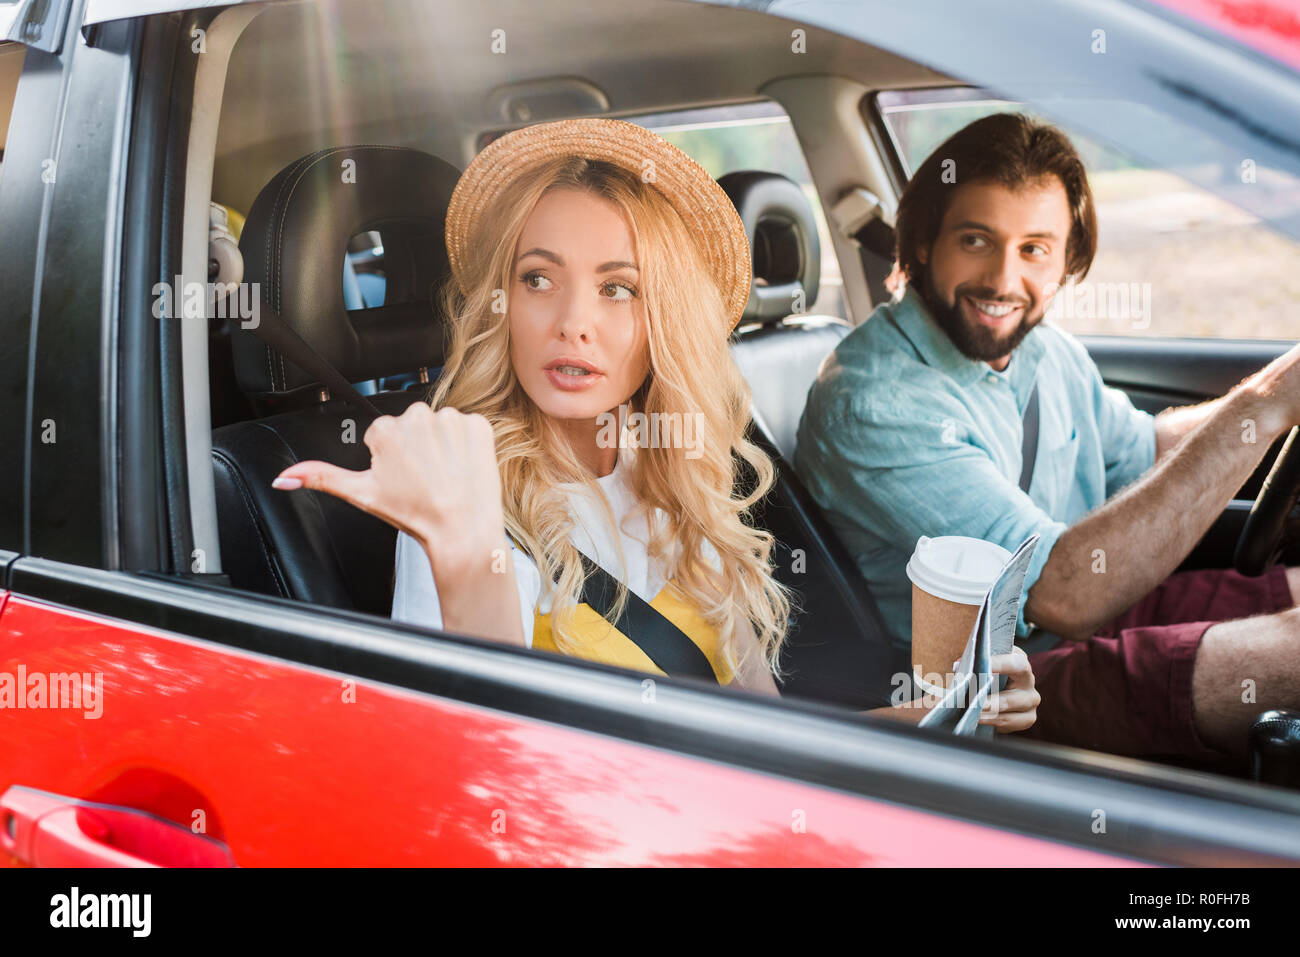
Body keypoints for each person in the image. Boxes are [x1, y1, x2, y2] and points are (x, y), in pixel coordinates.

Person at [270, 117, 1039, 729]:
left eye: (619, 289)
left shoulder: (679, 473)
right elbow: (485, 776)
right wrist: (467, 551)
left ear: (664, 318)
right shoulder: (463, 500)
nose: (572, 322)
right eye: (538, 279)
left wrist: (944, 720)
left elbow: (760, 743)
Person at [794, 112, 1300, 761]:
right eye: (976, 240)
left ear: (1066, 263)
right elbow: (1064, 593)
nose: (1005, 280)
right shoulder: (873, 401)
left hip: (1093, 614)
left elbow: (1143, 449)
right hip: (995, 690)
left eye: (1034, 248)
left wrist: (1276, 407)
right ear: (923, 243)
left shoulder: (1043, 350)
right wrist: (1264, 404)